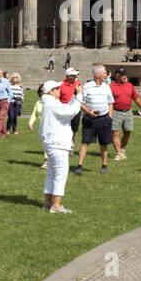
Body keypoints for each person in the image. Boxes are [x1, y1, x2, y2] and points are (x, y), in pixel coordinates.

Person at [38, 80, 83, 213]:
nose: (60, 90)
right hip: (57, 143)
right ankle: (56, 205)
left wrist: (75, 96)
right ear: (51, 91)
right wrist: (79, 96)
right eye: (57, 88)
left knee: (51, 173)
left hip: (51, 143)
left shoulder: (50, 103)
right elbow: (71, 112)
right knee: (60, 174)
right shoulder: (52, 104)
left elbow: (66, 108)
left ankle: (47, 203)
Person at [74, 66, 114, 175]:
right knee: (85, 142)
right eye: (104, 73)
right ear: (97, 75)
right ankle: (79, 165)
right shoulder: (87, 87)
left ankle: (104, 165)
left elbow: (110, 102)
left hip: (104, 119)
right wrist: (88, 112)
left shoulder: (107, 87)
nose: (106, 75)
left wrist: (109, 116)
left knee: (104, 143)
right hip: (90, 120)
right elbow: (80, 103)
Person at [109, 67, 141, 161]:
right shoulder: (111, 86)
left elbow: (136, 98)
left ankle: (122, 149)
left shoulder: (129, 85)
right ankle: (118, 153)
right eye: (122, 75)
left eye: (125, 75)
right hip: (115, 112)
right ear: (117, 76)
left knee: (127, 132)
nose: (125, 76)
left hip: (128, 112)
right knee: (115, 133)